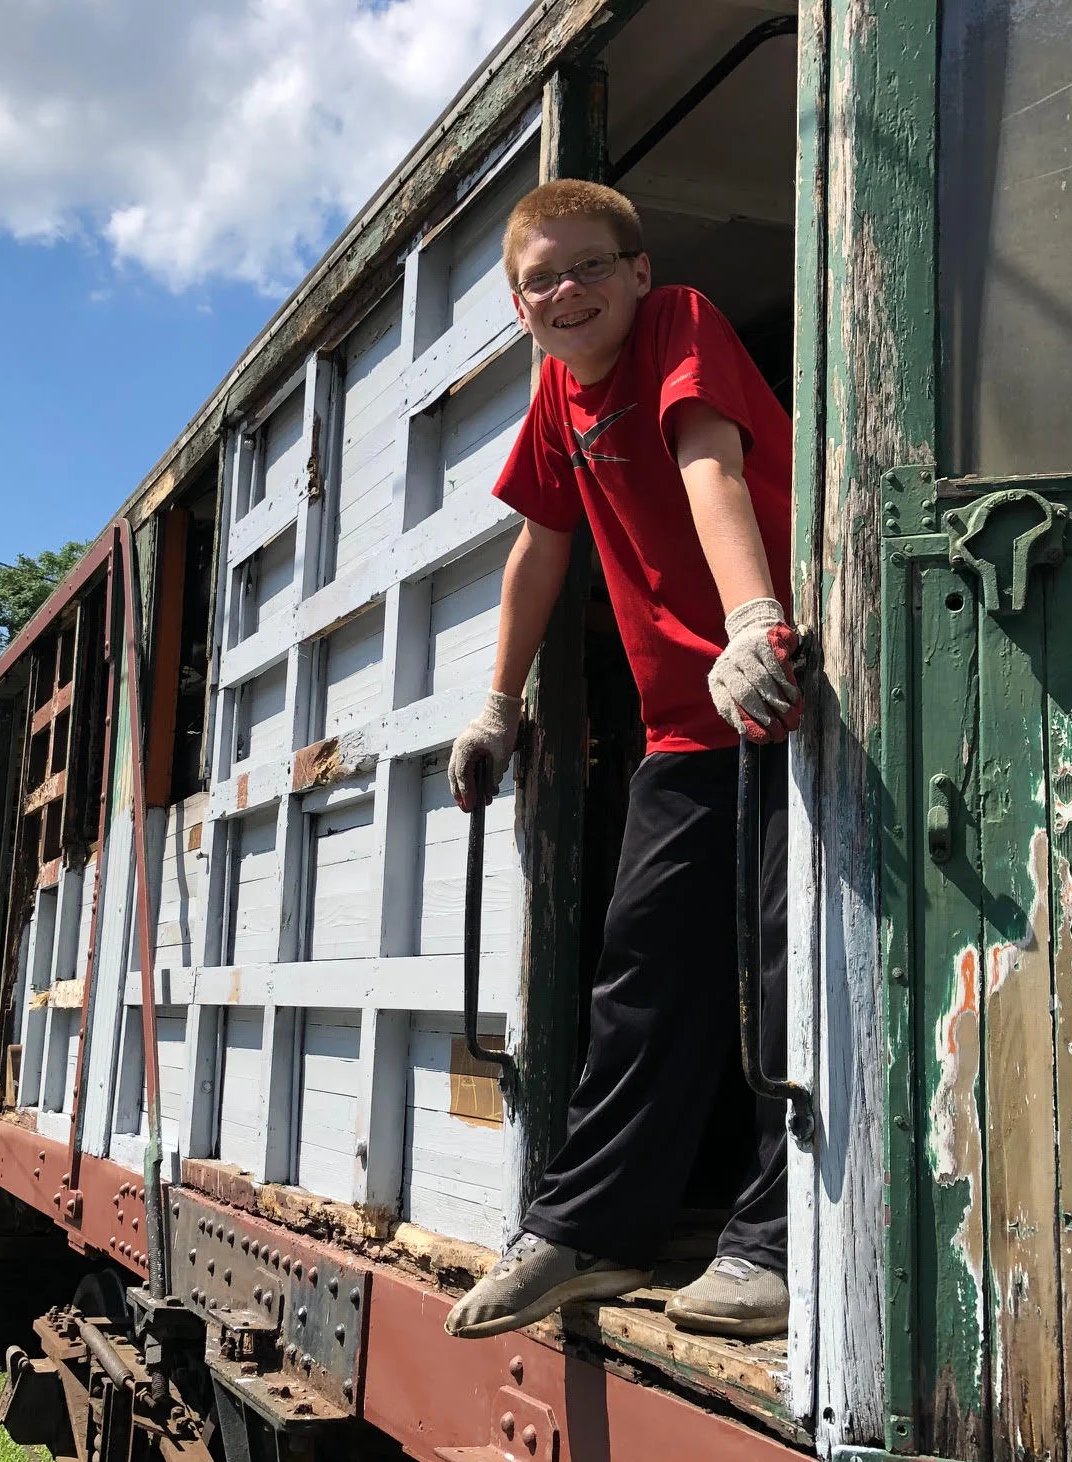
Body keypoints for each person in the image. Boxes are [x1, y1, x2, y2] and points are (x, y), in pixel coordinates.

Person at [442, 180, 800, 1342]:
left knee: (786, 971)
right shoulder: (557, 392)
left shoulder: (678, 322)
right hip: (685, 724)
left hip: (788, 694)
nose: (567, 292)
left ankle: (774, 1249)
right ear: (519, 306)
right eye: (540, 280)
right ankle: (589, 1233)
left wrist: (753, 623)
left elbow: (710, 467)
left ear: (637, 271)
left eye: (589, 266)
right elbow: (538, 551)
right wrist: (497, 707)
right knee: (641, 971)